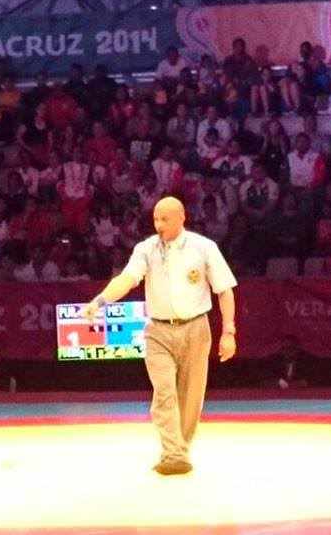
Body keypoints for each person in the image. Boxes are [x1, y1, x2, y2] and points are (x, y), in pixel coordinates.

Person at [82, 197, 237, 475]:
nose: (158, 225)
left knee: (190, 397)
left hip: (196, 328)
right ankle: (172, 452)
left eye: (164, 219)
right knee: (164, 392)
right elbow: (127, 279)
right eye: (155, 219)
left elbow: (224, 290)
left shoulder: (204, 247)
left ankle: (180, 450)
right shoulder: (146, 249)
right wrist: (100, 300)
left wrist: (228, 331)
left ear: (181, 217)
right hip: (158, 331)